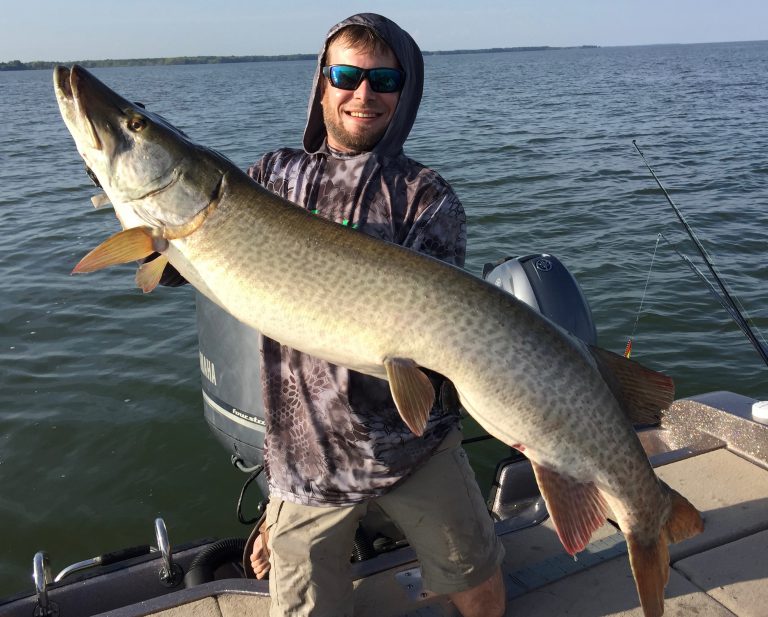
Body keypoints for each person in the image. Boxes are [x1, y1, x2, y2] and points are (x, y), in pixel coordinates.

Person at [244, 13, 505, 617]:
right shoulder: (273, 177)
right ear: (322, 83)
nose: (363, 93)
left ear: (403, 91)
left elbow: (428, 333)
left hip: (414, 447)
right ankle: (274, 525)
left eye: (383, 79)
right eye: (346, 74)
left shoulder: (426, 196)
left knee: (482, 595)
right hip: (306, 456)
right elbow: (182, 262)